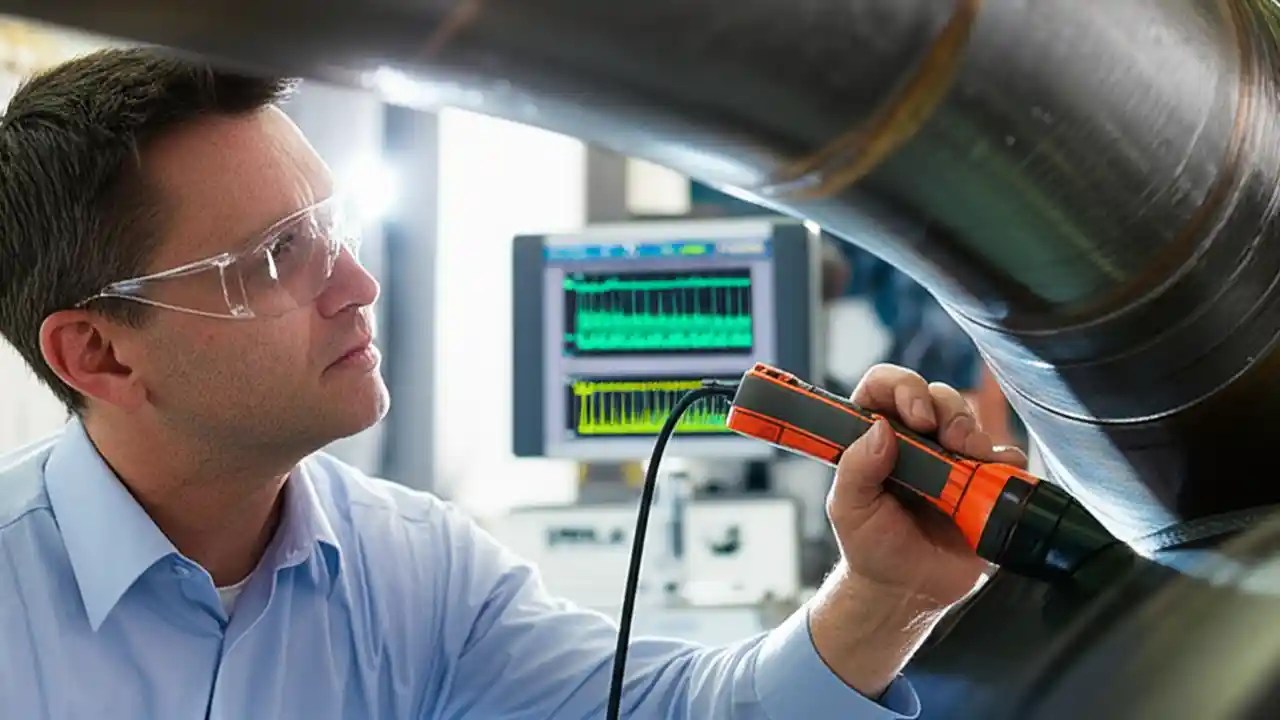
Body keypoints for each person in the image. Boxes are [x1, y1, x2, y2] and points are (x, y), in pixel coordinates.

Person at [0, 48, 1026, 719]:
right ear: (99, 356)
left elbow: (676, 711)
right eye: (275, 257)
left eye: (333, 229)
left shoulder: (415, 571)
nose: (358, 286)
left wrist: (885, 596)